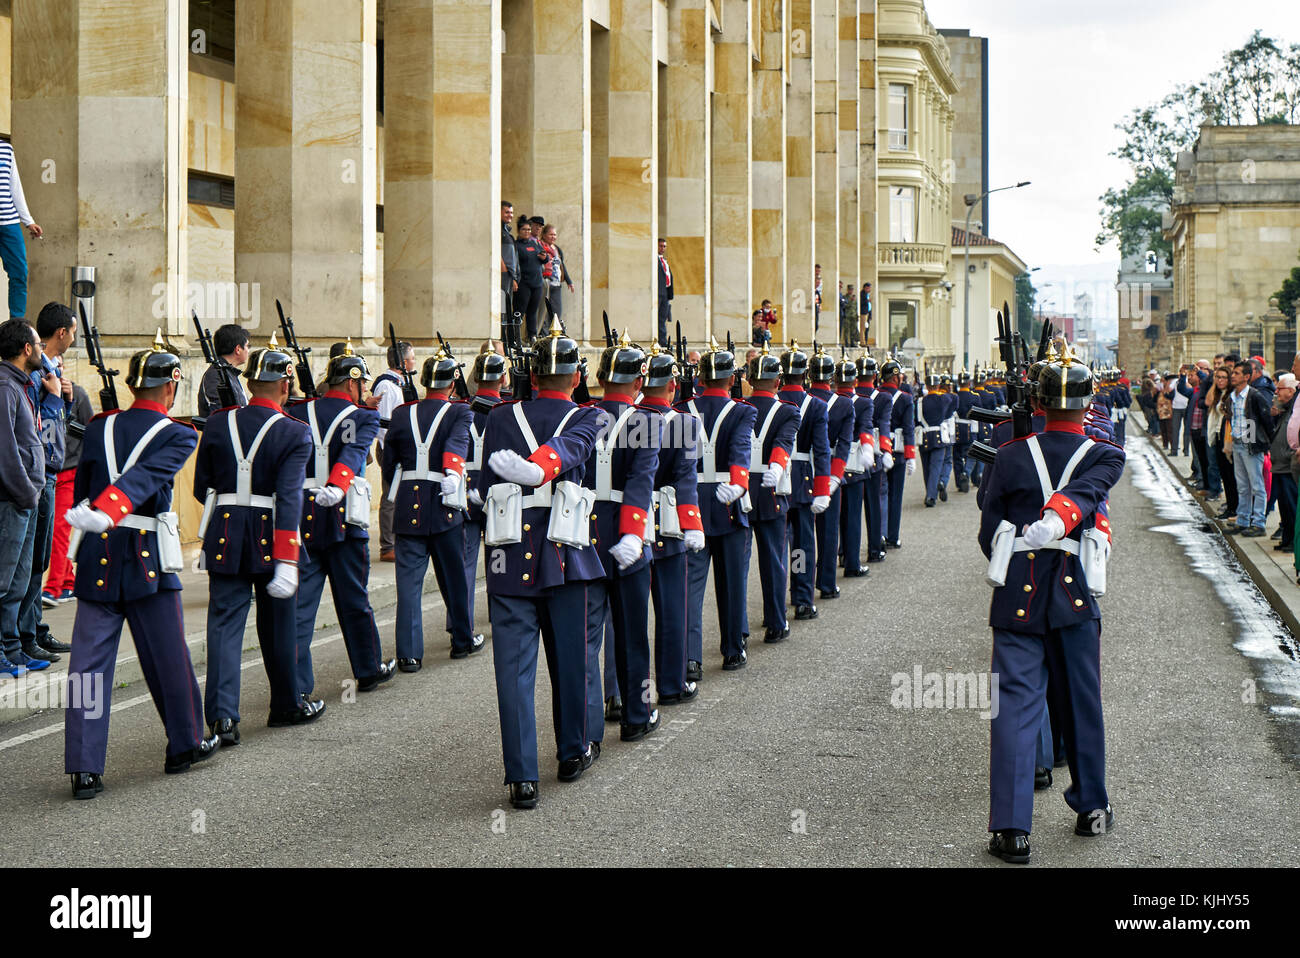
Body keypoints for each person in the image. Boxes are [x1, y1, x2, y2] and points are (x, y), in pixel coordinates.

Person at [980, 355, 1124, 864]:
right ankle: (1091, 808)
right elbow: (1089, 495)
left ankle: (1013, 830)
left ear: (1037, 403)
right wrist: (1064, 518)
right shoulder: (1105, 454)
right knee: (1082, 703)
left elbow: (988, 528)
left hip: (1018, 593)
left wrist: (1034, 533)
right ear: (1089, 405)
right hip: (1074, 594)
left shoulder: (1010, 453)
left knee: (1015, 709)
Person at [63, 334, 220, 798]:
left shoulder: (98, 427)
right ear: (171, 387)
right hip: (146, 554)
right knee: (168, 657)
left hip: (98, 553)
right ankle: (185, 744)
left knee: (87, 667)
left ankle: (84, 767)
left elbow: (82, 494)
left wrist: (100, 515)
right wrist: (114, 508)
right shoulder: (178, 433)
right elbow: (149, 478)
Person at [475, 320, 607, 809]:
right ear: (575, 377)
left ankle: (522, 778)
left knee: (513, 671)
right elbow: (574, 449)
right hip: (566, 555)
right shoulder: (591, 417)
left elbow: (485, 486)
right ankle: (572, 753)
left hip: (510, 555)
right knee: (573, 661)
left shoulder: (500, 419)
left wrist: (529, 474)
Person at [195, 341, 325, 746]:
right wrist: (288, 557)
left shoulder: (218, 423)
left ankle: (222, 719)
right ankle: (285, 704)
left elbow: (203, 487)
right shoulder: (294, 431)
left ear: (250, 383)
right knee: (279, 624)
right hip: (272, 535)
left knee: (224, 625)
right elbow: (290, 498)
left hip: (227, 531)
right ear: (285, 386)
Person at [287, 341, 397, 698]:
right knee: (353, 598)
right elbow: (354, 454)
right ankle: (367, 669)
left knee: (301, 607)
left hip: (302, 516)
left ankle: (298, 687)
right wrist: (336, 484)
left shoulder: (298, 412)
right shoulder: (362, 416)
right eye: (361, 383)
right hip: (342, 517)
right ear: (352, 384)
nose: (364, 389)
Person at [383, 348, 484, 670]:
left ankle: (409, 654)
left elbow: (390, 464)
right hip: (444, 504)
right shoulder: (459, 412)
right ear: (452, 384)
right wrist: (452, 474)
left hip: (408, 505)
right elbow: (456, 446)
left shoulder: (402, 413)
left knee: (409, 587)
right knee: (454, 579)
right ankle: (462, 640)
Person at [582, 335, 662, 742]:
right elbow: (641, 484)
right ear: (638, 384)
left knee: (586, 639)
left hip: (584, 536)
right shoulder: (647, 421)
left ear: (599, 378)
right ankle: (635, 715)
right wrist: (632, 533)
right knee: (632, 635)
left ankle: (587, 731)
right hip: (628, 540)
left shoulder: (581, 416)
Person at [678, 339, 755, 673]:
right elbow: (741, 451)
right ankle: (733, 648)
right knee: (733, 581)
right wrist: (738, 483)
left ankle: (691, 657)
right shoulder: (743, 410)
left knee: (690, 588)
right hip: (728, 501)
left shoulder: (683, 409)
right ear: (731, 378)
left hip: (692, 503)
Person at [641, 343, 704, 702]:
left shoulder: (627, 420)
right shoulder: (684, 423)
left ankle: (622, 693)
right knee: (671, 611)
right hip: (668, 525)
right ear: (673, 386)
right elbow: (684, 479)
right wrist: (692, 523)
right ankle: (670, 683)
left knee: (629, 618)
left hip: (632, 525)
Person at [20, 303, 80, 665]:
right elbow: (38, 426)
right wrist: (57, 397)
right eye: (72, 331)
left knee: (38, 560)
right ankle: (20, 637)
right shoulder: (33, 371)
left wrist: (66, 398)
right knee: (28, 563)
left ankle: (33, 627)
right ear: (62, 332)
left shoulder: (50, 370)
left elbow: (59, 426)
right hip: (38, 474)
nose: (74, 337)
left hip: (50, 470)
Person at [744, 344, 799, 644]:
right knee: (774, 560)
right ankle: (776, 622)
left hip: (737, 492)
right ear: (778, 382)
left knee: (737, 569)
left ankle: (737, 627)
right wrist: (775, 470)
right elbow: (783, 445)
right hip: (770, 491)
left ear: (750, 380)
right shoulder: (788, 411)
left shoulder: (737, 406)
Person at [0, 319, 46, 678]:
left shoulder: (19, 384)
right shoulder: (4, 386)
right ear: (27, 349)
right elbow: (6, 453)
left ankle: (13, 650)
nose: (42, 350)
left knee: (17, 582)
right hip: (13, 500)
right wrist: (27, 493)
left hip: (25, 500)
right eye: (38, 345)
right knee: (3, 580)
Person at [779, 343, 832, 619]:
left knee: (775, 547)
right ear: (806, 375)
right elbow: (821, 450)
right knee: (801, 544)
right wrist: (822, 488)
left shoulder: (771, 401)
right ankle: (801, 597)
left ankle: (775, 603)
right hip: (801, 479)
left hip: (773, 479)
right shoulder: (816, 405)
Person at [461, 345, 507, 650]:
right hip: (496, 490)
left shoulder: (462, 408)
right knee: (498, 558)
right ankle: (499, 614)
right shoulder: (507, 412)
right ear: (502, 379)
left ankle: (460, 620)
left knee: (465, 561)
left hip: (465, 488)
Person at [43, 372, 92, 606]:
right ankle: (67, 582)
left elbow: (91, 433)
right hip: (48, 472)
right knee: (54, 530)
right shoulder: (40, 394)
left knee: (59, 532)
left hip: (71, 472)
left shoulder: (78, 394)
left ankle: (53, 587)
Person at [807, 348, 852, 600]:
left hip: (802, 470)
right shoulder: (844, 404)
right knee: (828, 532)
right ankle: (826, 582)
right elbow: (844, 445)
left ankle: (799, 581)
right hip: (829, 470)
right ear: (832, 377)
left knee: (801, 537)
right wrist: (834, 478)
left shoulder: (799, 400)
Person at [371, 339, 417, 563]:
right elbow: (385, 424)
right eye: (412, 358)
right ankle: (387, 545)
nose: (414, 361)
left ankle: (396, 539)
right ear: (403, 361)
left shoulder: (400, 383)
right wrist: (391, 449)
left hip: (401, 447)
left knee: (399, 494)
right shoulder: (387, 386)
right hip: (391, 447)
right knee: (390, 495)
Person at [1225, 360, 1275, 537]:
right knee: (1242, 485)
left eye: (1237, 373)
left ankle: (1259, 523)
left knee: (1257, 485)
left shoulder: (1254, 395)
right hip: (1238, 442)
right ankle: (1243, 520)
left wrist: (1267, 444)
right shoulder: (1232, 396)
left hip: (1251, 443)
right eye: (1233, 373)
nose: (1233, 376)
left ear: (1247, 377)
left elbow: (1267, 420)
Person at [838, 358, 873, 578]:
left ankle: (839, 554)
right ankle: (851, 561)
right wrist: (869, 449)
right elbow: (865, 428)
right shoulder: (863, 402)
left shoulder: (825, 401)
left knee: (834, 518)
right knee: (852, 516)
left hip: (827, 464)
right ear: (855, 380)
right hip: (852, 462)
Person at [877, 359, 917, 549]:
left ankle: (881, 534)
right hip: (899, 451)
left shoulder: (875, 396)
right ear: (895, 377)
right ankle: (892, 536)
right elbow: (909, 429)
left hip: (879, 449)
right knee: (895, 495)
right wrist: (911, 456)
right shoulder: (905, 398)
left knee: (881, 494)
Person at [0, 141, 42, 319]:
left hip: (9, 223)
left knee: (19, 273)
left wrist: (28, 220)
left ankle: (16, 323)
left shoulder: (6, 149)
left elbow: (14, 186)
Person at [855, 357, 887, 562]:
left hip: (850, 456)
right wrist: (886, 451)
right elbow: (884, 427)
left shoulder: (848, 397)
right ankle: (874, 548)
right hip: (873, 452)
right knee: (874, 504)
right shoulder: (882, 398)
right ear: (875, 376)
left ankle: (845, 551)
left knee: (850, 509)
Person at [197, 324, 249, 420]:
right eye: (247, 346)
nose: (248, 350)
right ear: (238, 349)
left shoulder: (229, 373)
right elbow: (220, 414)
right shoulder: (215, 376)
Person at [1270, 374, 1297, 553]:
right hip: (1278, 465)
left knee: (1291, 507)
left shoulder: (1296, 408)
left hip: (1288, 465)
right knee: (1284, 508)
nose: (1276, 392)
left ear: (1291, 391)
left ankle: (1293, 542)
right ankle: (1286, 539)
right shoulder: (1284, 408)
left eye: (1280, 389)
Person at [917, 374, 954, 507]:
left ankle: (930, 492)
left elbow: (916, 420)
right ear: (938, 385)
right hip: (939, 435)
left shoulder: (920, 401)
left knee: (927, 468)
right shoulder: (944, 398)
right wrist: (945, 389)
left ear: (926, 386)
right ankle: (931, 496)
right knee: (935, 467)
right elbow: (954, 399)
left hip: (925, 436)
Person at [514, 219, 550, 340]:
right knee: (520, 310)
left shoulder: (535, 244)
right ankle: (516, 337)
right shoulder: (516, 245)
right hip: (523, 282)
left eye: (529, 229)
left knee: (533, 311)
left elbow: (544, 258)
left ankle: (532, 335)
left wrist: (545, 257)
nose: (527, 232)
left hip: (537, 282)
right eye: (524, 229)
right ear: (519, 230)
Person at [540, 224, 574, 320]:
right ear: (544, 235)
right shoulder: (540, 246)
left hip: (556, 284)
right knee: (544, 312)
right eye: (551, 234)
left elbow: (561, 266)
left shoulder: (557, 249)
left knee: (557, 312)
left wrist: (569, 281)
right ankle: (543, 333)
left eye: (555, 235)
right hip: (545, 283)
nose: (553, 237)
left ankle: (555, 332)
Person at [501, 200, 520, 329]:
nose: (510, 215)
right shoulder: (498, 230)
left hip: (509, 275)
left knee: (507, 307)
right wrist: (504, 271)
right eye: (507, 212)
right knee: (502, 306)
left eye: (512, 212)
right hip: (504, 275)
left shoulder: (506, 231)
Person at [657, 238, 673, 347]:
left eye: (664, 246)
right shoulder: (655, 260)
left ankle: (663, 341)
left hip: (665, 293)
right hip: (658, 292)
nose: (662, 248)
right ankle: (659, 340)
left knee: (663, 318)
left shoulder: (664, 261)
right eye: (660, 246)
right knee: (658, 318)